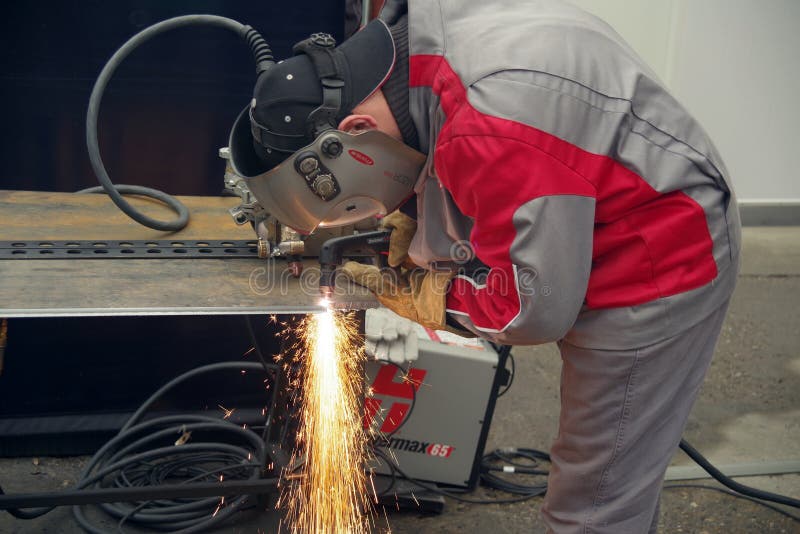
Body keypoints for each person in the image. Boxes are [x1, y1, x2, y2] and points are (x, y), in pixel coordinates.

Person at [230, 1, 741, 531]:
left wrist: (430, 298)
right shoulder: (415, 43)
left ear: (355, 129)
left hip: (659, 250)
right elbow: (451, 149)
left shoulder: (493, 117)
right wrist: (414, 216)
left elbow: (532, 308)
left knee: (595, 500)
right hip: (589, 198)